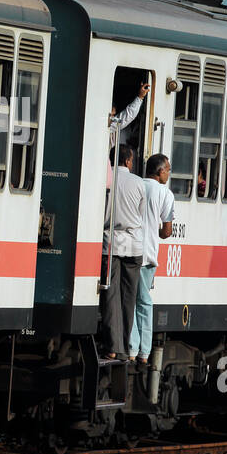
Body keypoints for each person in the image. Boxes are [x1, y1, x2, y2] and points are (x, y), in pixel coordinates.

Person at [99, 143, 145, 360]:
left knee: (111, 296)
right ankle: (126, 347)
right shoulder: (138, 183)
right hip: (134, 245)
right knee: (129, 297)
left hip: (111, 243)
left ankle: (113, 346)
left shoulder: (105, 181)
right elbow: (142, 216)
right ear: (128, 161)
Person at [130, 153, 174, 365]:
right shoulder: (165, 194)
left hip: (130, 250)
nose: (169, 174)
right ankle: (143, 351)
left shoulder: (135, 185)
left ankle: (131, 347)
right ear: (160, 171)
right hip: (148, 254)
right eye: (168, 170)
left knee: (129, 299)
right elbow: (166, 232)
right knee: (144, 302)